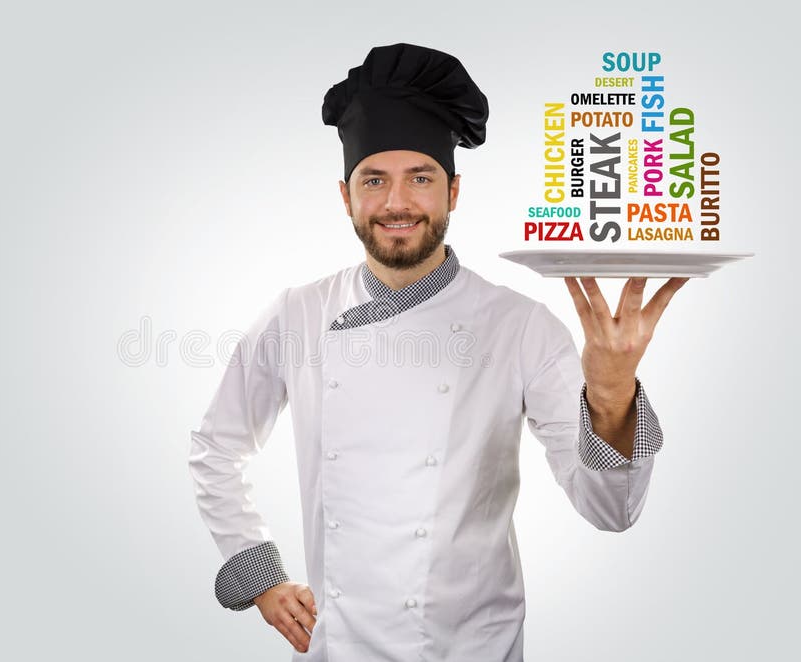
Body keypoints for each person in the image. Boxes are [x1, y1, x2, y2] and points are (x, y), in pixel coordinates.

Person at [188, 42, 687, 661]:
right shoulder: (298, 314)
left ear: (453, 192)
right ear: (346, 196)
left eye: (420, 179)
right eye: (375, 180)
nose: (397, 203)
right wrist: (257, 573)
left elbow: (611, 511)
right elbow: (217, 447)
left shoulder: (520, 326)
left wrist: (612, 395)